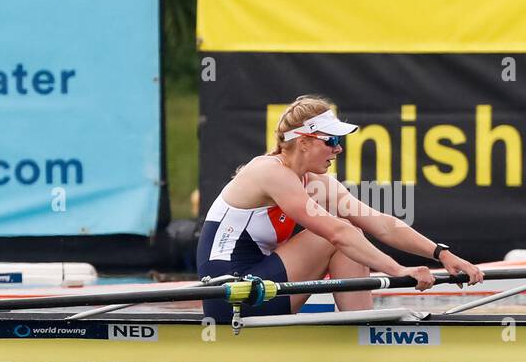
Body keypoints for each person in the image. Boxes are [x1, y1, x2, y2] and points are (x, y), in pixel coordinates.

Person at [197, 95, 483, 322]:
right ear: (305, 142)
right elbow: (336, 234)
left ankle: (361, 327)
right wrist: (398, 270)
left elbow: (381, 223)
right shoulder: (268, 172)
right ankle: (362, 330)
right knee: (335, 235)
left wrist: (441, 254)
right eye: (331, 140)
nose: (339, 149)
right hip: (230, 295)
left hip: (259, 289)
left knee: (352, 228)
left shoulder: (315, 181)